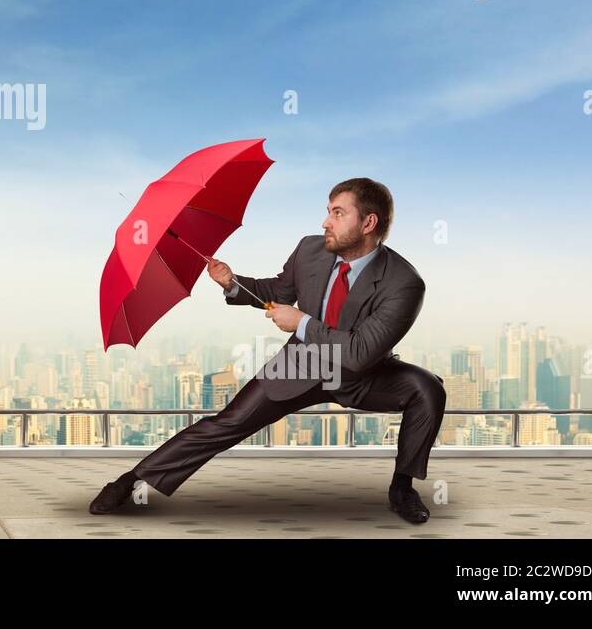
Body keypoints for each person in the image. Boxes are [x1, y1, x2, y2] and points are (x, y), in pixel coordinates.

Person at [89, 178, 446, 524]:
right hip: (299, 365)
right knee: (225, 424)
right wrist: (232, 283)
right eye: (327, 211)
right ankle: (131, 482)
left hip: (360, 374)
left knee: (428, 390)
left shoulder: (404, 283)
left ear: (368, 222)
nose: (325, 222)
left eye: (338, 213)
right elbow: (277, 289)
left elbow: (359, 353)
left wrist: (302, 323)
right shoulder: (311, 249)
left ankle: (402, 487)